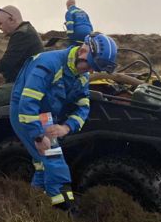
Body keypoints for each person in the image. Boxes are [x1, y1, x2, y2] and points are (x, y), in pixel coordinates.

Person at [10, 33, 118, 211]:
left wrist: (67, 127)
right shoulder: (48, 64)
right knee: (53, 159)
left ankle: (35, 206)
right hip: (26, 115)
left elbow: (83, 106)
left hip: (46, 117)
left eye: (94, 68)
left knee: (44, 164)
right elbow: (27, 104)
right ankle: (64, 210)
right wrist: (38, 136)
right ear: (82, 52)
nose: (90, 71)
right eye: (90, 65)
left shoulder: (80, 75)